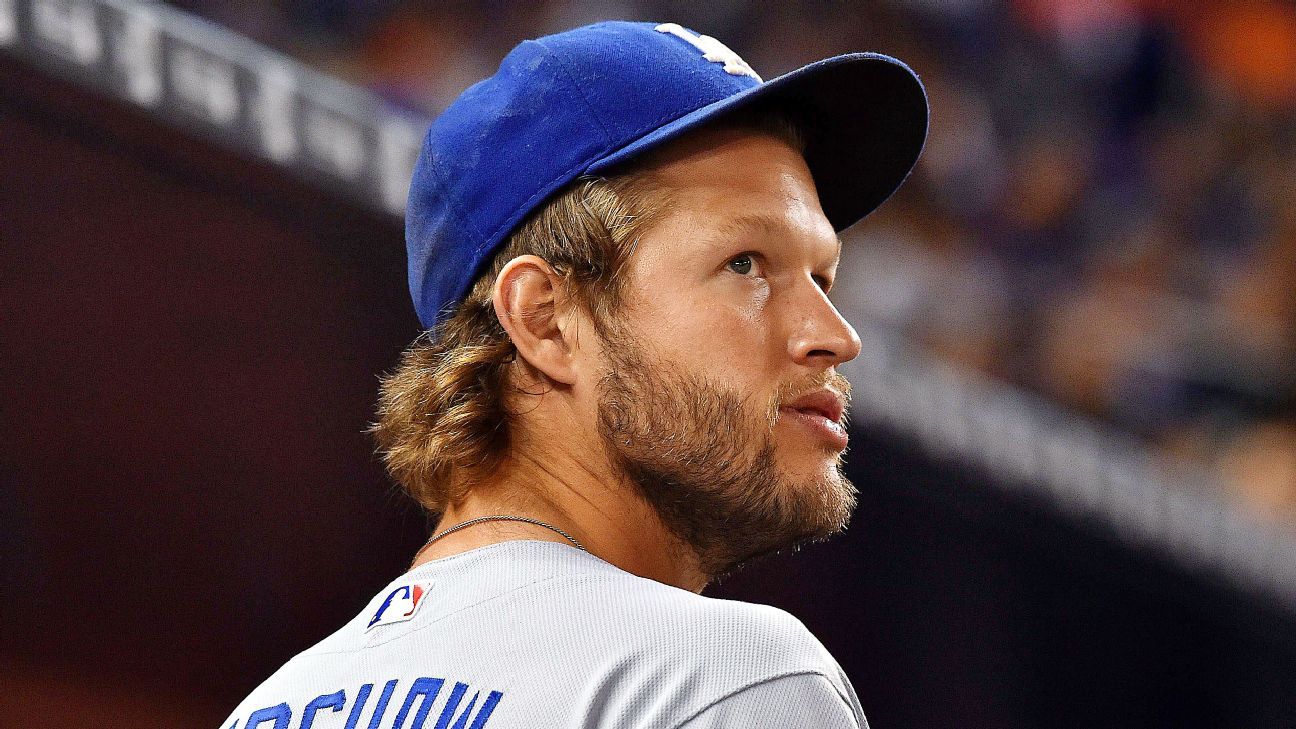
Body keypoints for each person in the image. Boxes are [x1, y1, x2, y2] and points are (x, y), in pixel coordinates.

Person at [222, 20, 926, 729]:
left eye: (824, 276)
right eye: (745, 264)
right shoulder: (724, 677)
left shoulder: (264, 709)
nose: (836, 336)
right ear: (545, 318)